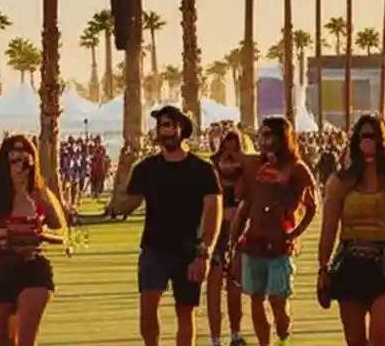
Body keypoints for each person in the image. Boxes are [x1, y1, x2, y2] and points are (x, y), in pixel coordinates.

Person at [117, 105, 223, 346]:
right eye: (161, 126)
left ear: (181, 130)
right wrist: (124, 175)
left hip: (189, 250)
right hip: (155, 248)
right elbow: (126, 204)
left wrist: (204, 252)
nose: (165, 131)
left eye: (169, 125)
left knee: (186, 312)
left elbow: (213, 212)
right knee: (148, 307)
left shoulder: (203, 170)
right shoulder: (146, 168)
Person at [317, 115, 385, 346]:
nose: (369, 143)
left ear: (384, 142)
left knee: (379, 341)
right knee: (355, 342)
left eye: (374, 137)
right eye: (364, 136)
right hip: (350, 262)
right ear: (355, 142)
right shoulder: (340, 183)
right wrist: (322, 269)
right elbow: (328, 228)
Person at [0, 135, 68, 346]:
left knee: (26, 341)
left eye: (25, 160)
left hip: (34, 267)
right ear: (5, 162)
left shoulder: (41, 194)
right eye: (13, 160)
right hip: (1, 267)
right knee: (5, 341)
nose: (19, 166)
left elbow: (62, 233)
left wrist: (42, 234)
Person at [229, 116, 318, 346]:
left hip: (280, 244)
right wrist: (234, 240)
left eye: (269, 135)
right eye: (262, 134)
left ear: (282, 137)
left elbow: (312, 205)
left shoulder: (297, 169)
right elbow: (246, 204)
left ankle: (283, 336)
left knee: (278, 302)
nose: (264, 140)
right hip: (253, 242)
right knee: (256, 299)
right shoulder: (253, 167)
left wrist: (295, 233)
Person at [208, 131, 250, 346]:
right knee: (214, 287)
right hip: (216, 233)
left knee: (235, 287)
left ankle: (235, 334)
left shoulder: (248, 170)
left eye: (235, 148)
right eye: (227, 147)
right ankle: (215, 339)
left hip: (240, 233)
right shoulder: (212, 169)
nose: (230, 154)